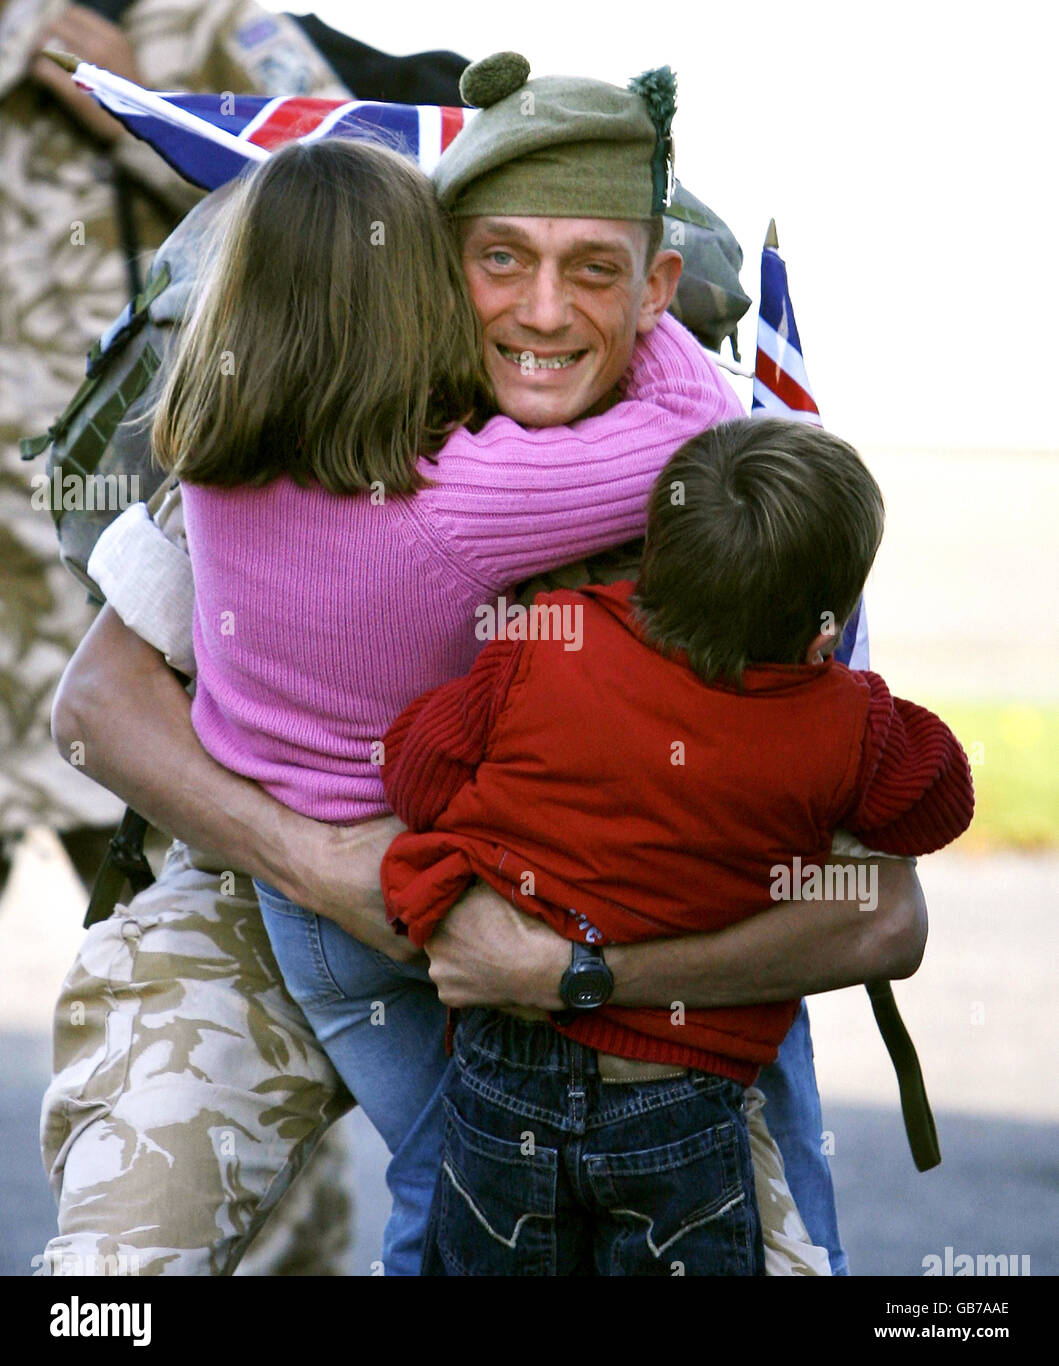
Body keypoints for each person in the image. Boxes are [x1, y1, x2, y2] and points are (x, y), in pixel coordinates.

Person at [44, 53, 927, 1277]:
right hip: (277, 894)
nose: (545, 314)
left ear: (658, 290)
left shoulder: (755, 496)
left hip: (624, 961)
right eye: (499, 258)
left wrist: (580, 971)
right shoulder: (322, 408)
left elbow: (877, 911)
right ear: (424, 266)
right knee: (114, 1274)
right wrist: (324, 864)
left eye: (596, 271)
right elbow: (94, 705)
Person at [150, 111, 741, 1274]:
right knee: (467, 1175)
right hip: (411, 886)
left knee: (437, 1157)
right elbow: (693, 426)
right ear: (420, 303)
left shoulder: (209, 460)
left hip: (296, 905)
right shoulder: (456, 503)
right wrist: (638, 301)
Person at [379, 417, 975, 1275]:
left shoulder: (547, 640)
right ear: (822, 630)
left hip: (503, 1072)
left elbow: (415, 772)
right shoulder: (851, 729)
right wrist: (841, 688)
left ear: (646, 561)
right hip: (679, 1101)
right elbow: (940, 805)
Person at [0, 0, 347, 892]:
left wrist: (148, 119)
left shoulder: (189, 17)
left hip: (117, 566)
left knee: (154, 956)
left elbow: (359, 200)